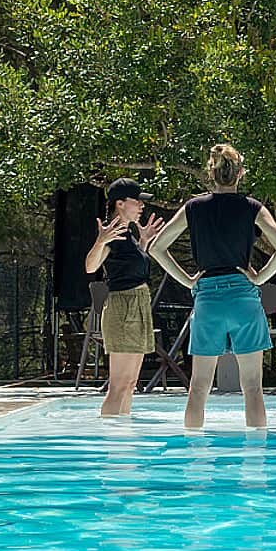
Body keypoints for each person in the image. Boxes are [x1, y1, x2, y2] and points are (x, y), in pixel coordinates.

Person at [149, 144, 276, 428]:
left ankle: (195, 459)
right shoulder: (252, 207)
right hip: (243, 299)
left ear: (210, 173)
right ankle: (256, 459)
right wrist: (259, 277)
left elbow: (157, 248)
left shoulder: (194, 207)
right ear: (240, 173)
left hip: (208, 300)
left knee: (199, 385)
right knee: (252, 386)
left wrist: (189, 280)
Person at [83, 178, 165, 417]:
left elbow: (130, 268)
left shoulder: (127, 235)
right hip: (123, 307)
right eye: (136, 201)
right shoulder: (113, 233)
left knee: (130, 384)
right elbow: (90, 267)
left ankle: (122, 434)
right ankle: (110, 440)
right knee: (118, 384)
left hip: (137, 305)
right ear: (119, 203)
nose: (141, 206)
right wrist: (100, 241)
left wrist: (144, 243)